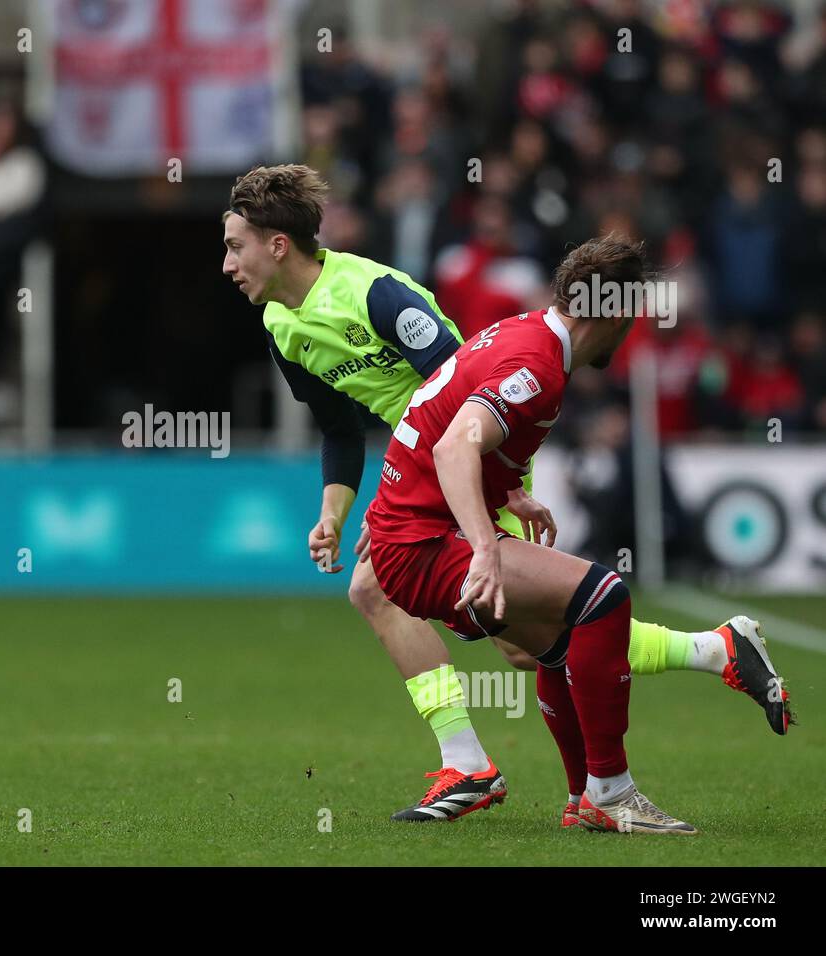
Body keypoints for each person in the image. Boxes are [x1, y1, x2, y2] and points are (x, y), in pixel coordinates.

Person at [220, 165, 791, 823]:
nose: (228, 263)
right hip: (433, 468)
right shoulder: (282, 327)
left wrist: (492, 488)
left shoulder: (373, 293)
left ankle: (478, 766)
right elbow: (339, 428)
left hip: (458, 468)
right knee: (526, 640)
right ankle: (706, 658)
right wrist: (334, 511)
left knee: (523, 630)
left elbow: (461, 380)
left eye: (236, 245)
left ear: (277, 243)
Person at [364, 234, 791, 833]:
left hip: (408, 535)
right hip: (423, 546)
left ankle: (580, 798)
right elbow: (455, 443)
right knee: (605, 598)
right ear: (614, 313)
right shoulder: (538, 365)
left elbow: (466, 420)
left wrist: (508, 488)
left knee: (559, 643)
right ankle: (611, 793)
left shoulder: (527, 334)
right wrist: (486, 548)